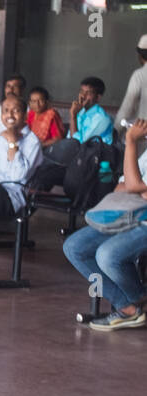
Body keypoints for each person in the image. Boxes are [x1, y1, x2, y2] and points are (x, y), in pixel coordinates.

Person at [62, 118, 147, 332]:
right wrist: (136, 188)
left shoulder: (133, 142)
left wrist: (130, 140)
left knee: (107, 256)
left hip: (142, 221)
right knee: (74, 247)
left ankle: (137, 301)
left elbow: (134, 184)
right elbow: (121, 185)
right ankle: (127, 306)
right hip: (132, 215)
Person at [113, 35, 147, 129]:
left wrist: (116, 131)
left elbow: (127, 107)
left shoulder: (139, 75)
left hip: (141, 137)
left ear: (140, 55)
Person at [71, 75, 113, 144]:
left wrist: (73, 116)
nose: (83, 96)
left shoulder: (101, 118)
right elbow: (70, 137)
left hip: (96, 153)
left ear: (98, 98)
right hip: (78, 152)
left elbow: (77, 143)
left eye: (88, 93)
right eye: (82, 91)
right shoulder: (80, 111)